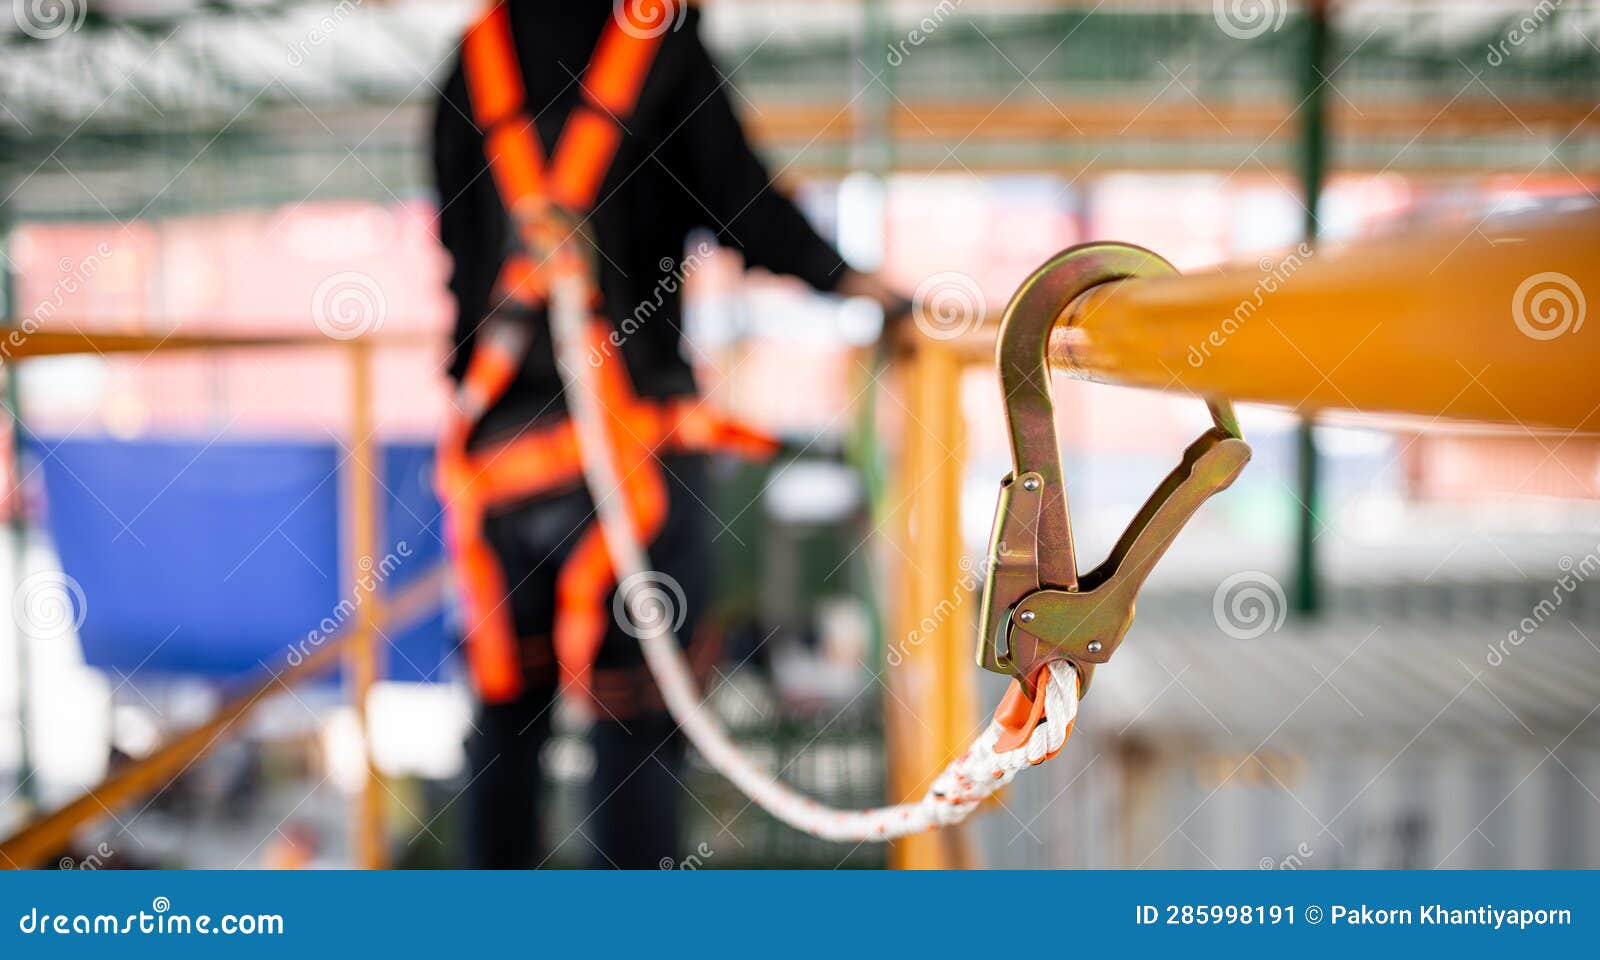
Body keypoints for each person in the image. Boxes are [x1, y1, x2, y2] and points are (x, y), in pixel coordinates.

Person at [430, 0, 906, 869]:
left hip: (502, 471)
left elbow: (460, 252)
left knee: (507, 727)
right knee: (636, 735)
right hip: (631, 464)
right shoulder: (657, 42)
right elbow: (745, 207)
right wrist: (858, 284)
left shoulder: (476, 57)